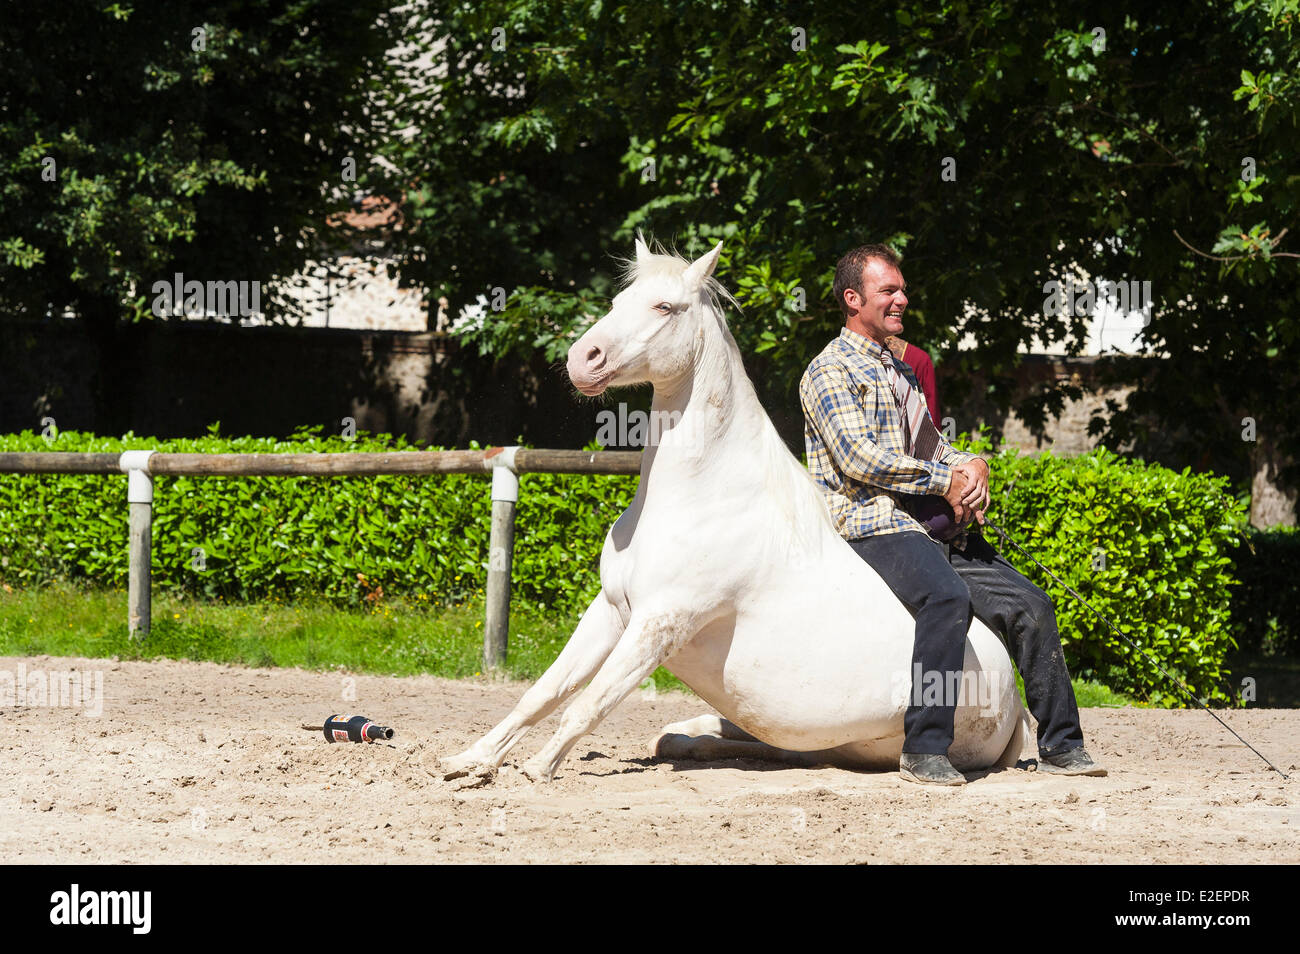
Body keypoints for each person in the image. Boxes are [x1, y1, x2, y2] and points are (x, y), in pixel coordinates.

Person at [799, 243, 1105, 785]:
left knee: (1032, 604)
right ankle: (923, 750)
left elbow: (932, 448)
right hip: (872, 524)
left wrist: (974, 465)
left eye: (901, 289)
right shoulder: (828, 371)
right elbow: (859, 458)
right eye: (888, 290)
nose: (902, 299)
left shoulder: (901, 369)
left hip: (927, 527)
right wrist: (948, 481)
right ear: (853, 299)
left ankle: (1062, 744)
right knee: (946, 596)